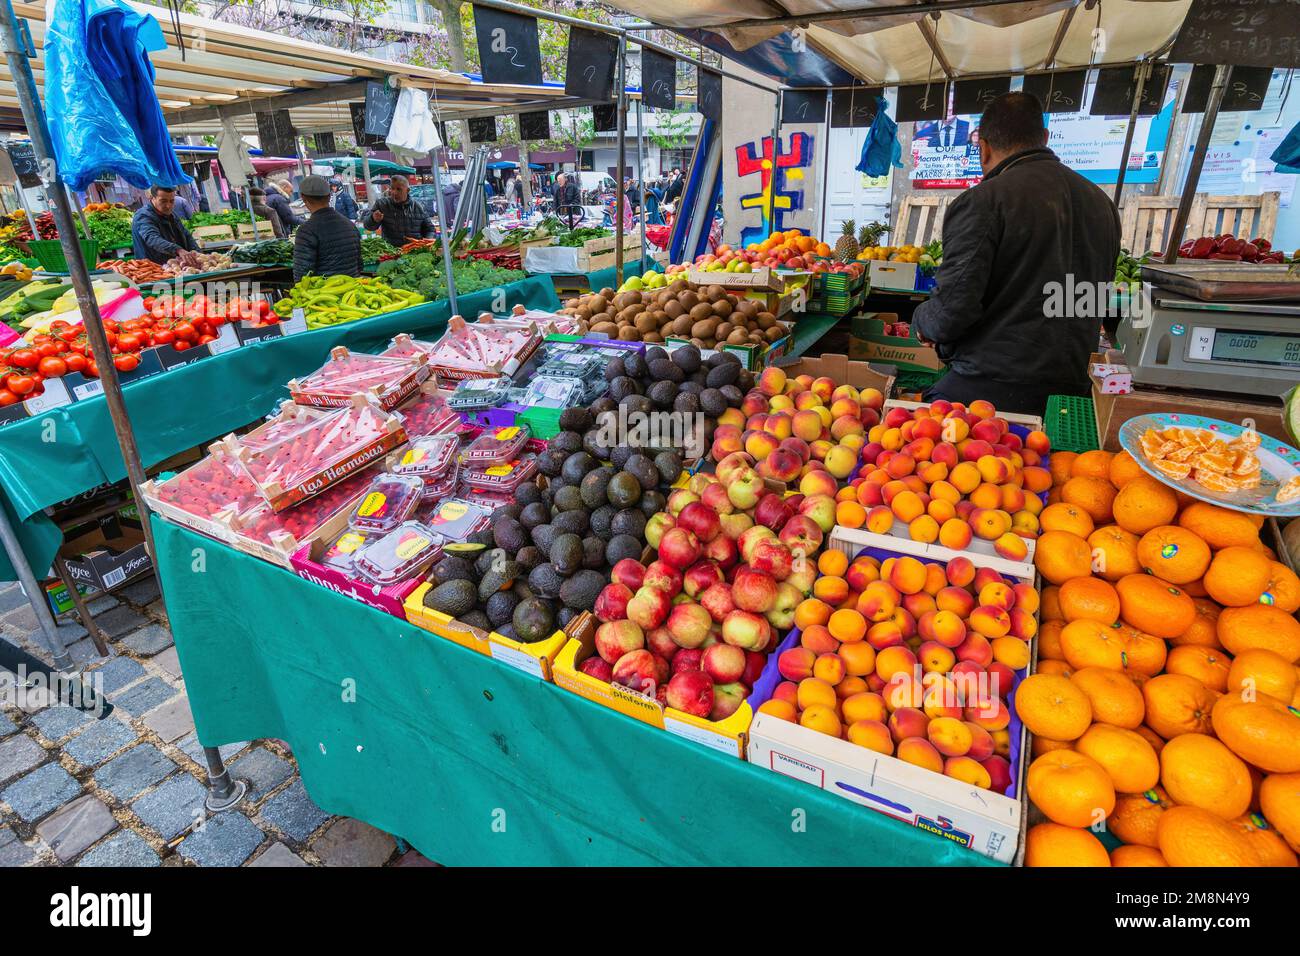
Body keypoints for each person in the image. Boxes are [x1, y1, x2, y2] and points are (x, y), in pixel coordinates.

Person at [912, 92, 1120, 417]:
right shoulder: (1101, 204)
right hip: (1072, 393)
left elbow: (951, 312)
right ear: (1045, 139)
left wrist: (922, 320)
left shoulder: (984, 202)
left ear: (983, 148)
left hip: (989, 393)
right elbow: (1093, 299)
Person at [293, 175, 362, 282]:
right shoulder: (349, 224)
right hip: (353, 290)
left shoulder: (306, 230)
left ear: (303, 198)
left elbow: (302, 274)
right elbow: (359, 265)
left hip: (324, 294)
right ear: (329, 196)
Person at [131, 185, 199, 264]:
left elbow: (186, 235)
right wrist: (178, 250)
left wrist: (197, 252)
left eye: (172, 201)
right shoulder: (143, 216)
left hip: (174, 266)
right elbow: (152, 238)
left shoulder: (172, 215)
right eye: (163, 201)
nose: (168, 205)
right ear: (152, 198)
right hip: (154, 269)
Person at [363, 174, 434, 247]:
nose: (394, 192)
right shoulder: (382, 204)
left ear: (407, 190)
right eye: (392, 188)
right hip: (391, 253)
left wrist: (426, 243)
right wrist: (373, 219)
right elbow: (368, 226)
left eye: (398, 189)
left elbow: (430, 229)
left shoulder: (418, 207)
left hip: (415, 251)